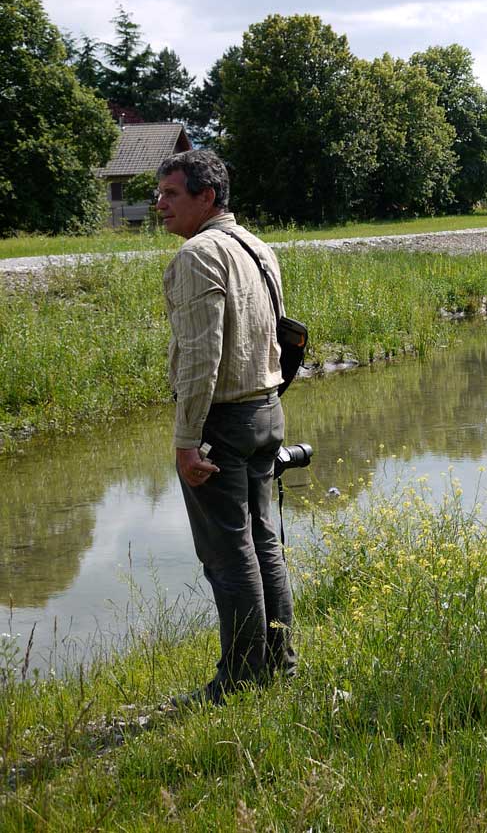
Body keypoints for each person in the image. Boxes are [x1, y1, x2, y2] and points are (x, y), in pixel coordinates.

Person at [155, 149, 296, 706]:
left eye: (171, 193)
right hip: (266, 411)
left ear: (206, 197)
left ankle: (239, 680)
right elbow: (279, 336)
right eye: (160, 193)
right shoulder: (257, 247)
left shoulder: (198, 256)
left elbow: (200, 357)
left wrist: (186, 441)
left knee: (227, 554)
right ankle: (277, 664)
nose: (159, 204)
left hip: (224, 420)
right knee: (265, 545)